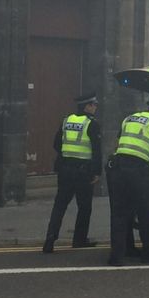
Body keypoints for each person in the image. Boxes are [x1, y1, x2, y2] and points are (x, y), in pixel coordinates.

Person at [108, 101, 149, 266]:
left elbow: (116, 145)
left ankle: (116, 257)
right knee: (146, 212)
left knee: (119, 214)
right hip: (139, 172)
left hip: (119, 169)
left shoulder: (128, 119)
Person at [43, 93, 102, 253]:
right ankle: (79, 240)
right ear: (87, 106)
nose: (95, 107)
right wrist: (97, 172)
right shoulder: (92, 124)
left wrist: (68, 155)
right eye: (94, 105)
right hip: (83, 172)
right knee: (84, 207)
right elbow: (97, 150)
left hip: (65, 170)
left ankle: (50, 238)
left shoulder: (66, 121)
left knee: (60, 205)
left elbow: (56, 144)